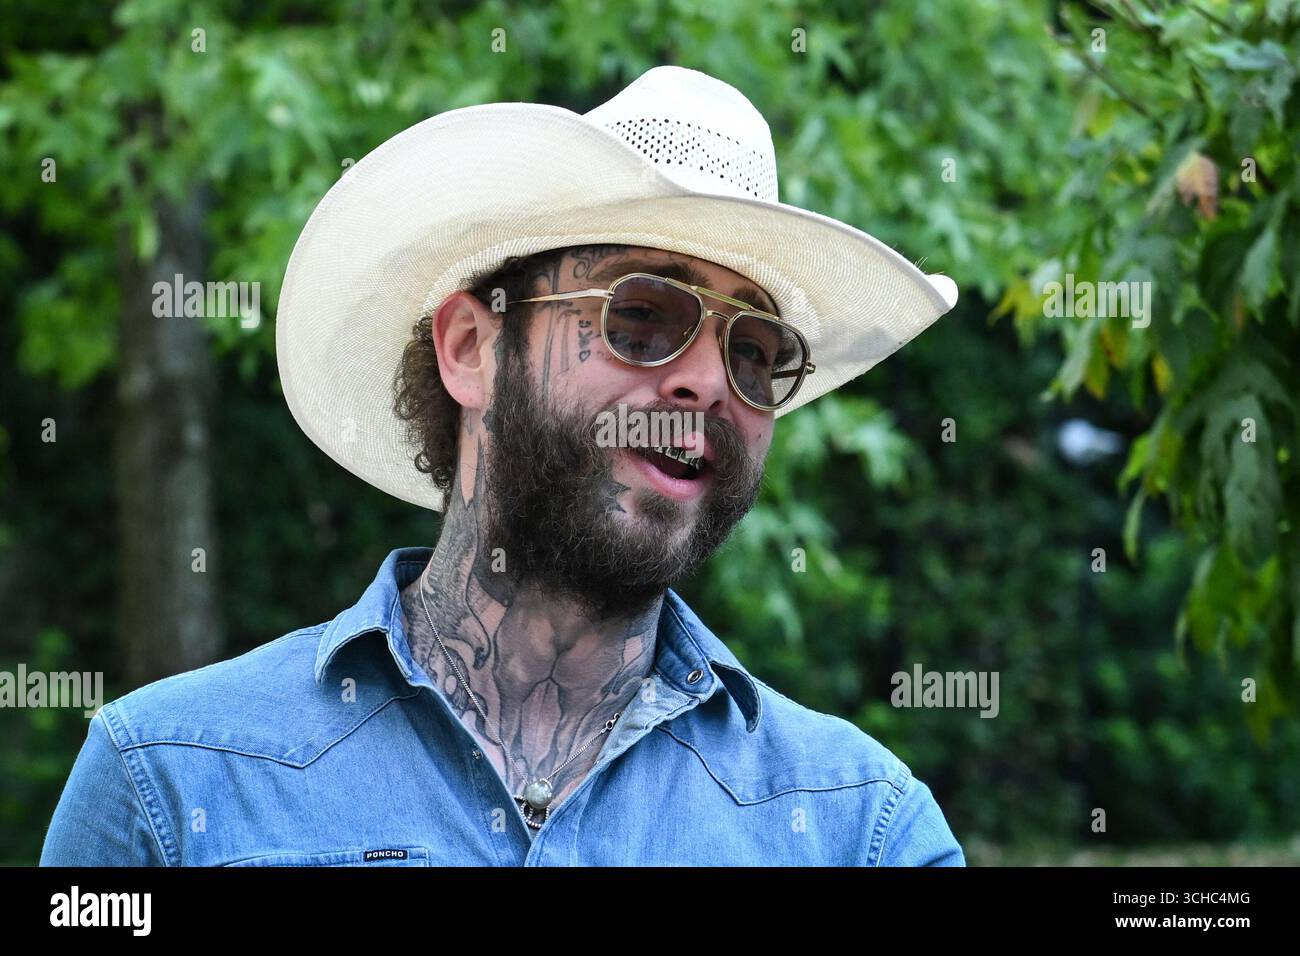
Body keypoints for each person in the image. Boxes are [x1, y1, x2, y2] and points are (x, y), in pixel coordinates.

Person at [41, 66, 962, 866]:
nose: (708, 383)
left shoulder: (860, 830)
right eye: (642, 316)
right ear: (473, 347)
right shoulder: (171, 779)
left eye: (755, 353)